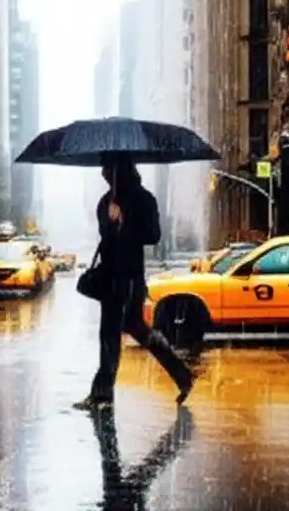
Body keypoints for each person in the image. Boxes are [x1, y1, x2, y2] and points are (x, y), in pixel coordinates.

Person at [74, 153, 193, 411]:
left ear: (121, 169)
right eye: (103, 168)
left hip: (129, 278)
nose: (103, 173)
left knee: (132, 328)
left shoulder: (143, 199)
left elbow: (153, 235)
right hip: (110, 276)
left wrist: (124, 222)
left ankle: (180, 375)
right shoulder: (106, 201)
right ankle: (102, 394)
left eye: (108, 167)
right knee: (112, 334)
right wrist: (110, 221)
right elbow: (106, 239)